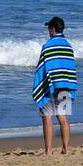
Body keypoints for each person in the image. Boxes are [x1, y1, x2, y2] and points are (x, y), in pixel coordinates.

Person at [31, 16, 77, 156]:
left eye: (48, 28)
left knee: (47, 117)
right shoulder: (68, 46)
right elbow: (69, 67)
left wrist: (40, 83)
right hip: (65, 85)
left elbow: (42, 68)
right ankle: (65, 149)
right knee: (62, 117)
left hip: (50, 86)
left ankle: (48, 151)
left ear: (52, 29)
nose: (48, 31)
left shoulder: (47, 46)